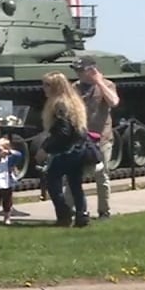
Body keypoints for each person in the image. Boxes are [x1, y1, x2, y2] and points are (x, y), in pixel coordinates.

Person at [37, 70, 90, 228]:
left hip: (64, 151)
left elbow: (63, 131)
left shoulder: (59, 104)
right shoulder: (74, 101)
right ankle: (82, 215)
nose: (43, 88)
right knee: (75, 184)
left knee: (53, 182)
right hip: (78, 149)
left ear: (55, 87)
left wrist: (45, 148)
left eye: (47, 85)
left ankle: (64, 214)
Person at [74, 58, 119, 219]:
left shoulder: (107, 85)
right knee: (73, 175)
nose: (78, 74)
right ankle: (73, 211)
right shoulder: (75, 88)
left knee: (102, 175)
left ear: (92, 70)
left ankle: (104, 211)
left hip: (102, 138)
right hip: (81, 138)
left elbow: (114, 102)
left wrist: (99, 82)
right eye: (76, 71)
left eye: (81, 70)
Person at [0, 137, 23, 225]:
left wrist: (9, 152)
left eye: (1, 149)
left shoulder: (10, 159)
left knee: (7, 202)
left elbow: (19, 155)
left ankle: (7, 219)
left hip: (7, 183)